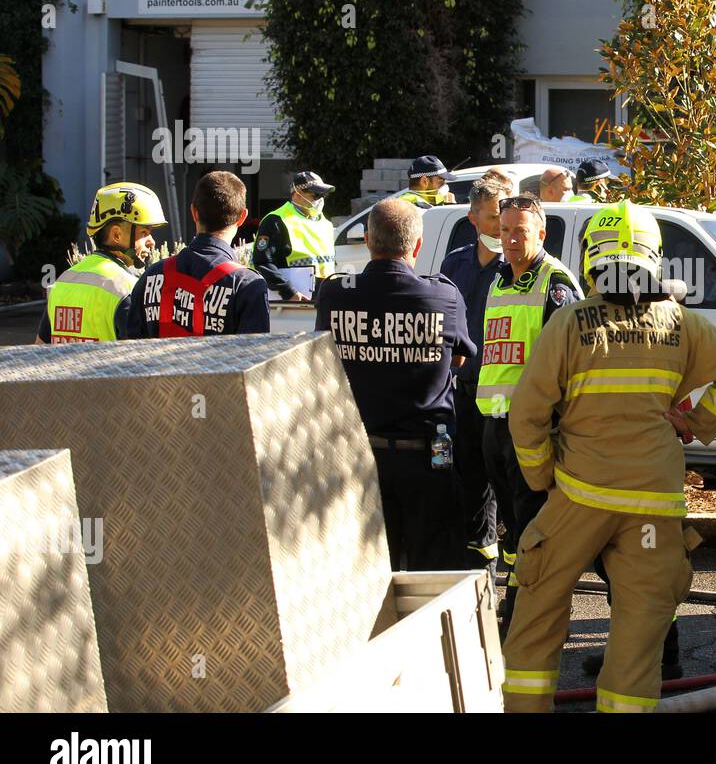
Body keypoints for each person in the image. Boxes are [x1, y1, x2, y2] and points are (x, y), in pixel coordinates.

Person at [502, 200, 716, 713]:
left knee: (538, 602)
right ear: (654, 257)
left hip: (579, 497)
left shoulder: (571, 323)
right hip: (654, 508)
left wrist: (539, 476)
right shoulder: (680, 323)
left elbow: (527, 413)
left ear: (589, 257)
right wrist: (697, 422)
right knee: (641, 627)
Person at [315, 198, 476, 571]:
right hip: (427, 463)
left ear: (368, 240)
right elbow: (460, 358)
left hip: (357, 462)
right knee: (432, 578)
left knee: (365, 575)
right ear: (416, 246)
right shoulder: (443, 296)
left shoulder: (336, 293)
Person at [475, 194, 581, 627]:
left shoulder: (555, 283)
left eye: (520, 231)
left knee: (531, 523)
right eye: (504, 231)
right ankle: (519, 599)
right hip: (495, 425)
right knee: (510, 527)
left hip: (534, 429)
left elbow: (572, 360)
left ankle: (523, 611)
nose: (511, 240)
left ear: (541, 232)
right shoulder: (499, 278)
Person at [440, 176, 511, 576]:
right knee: (468, 481)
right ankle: (478, 567)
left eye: (503, 219)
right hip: (463, 390)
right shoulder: (455, 264)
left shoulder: (517, 267)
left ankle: (509, 570)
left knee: (503, 481)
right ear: (473, 219)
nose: (500, 229)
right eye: (491, 220)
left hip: (502, 393)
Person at [124, 171, 270, 338]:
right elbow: (255, 356)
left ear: (194, 212)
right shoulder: (248, 286)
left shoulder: (150, 277)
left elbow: (131, 348)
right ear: (242, 217)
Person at [37, 182, 166, 344]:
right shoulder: (128, 288)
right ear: (117, 235)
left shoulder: (62, 282)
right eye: (144, 233)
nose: (152, 242)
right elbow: (141, 358)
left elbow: (39, 348)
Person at [254, 170, 337, 302]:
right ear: (297, 194)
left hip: (325, 297)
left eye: (322, 195)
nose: (320, 199)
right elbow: (263, 262)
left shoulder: (325, 223)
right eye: (315, 195)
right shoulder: (276, 220)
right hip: (294, 302)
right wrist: (289, 292)